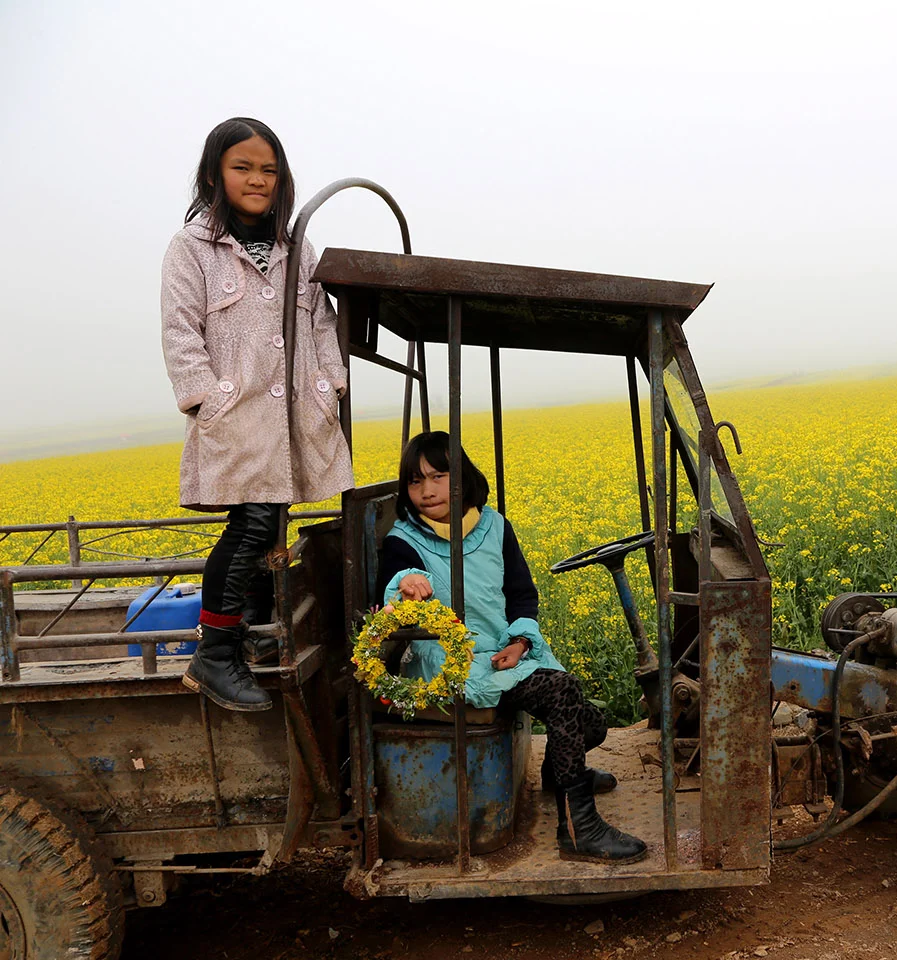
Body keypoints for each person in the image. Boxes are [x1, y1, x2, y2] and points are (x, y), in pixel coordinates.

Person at [375, 432, 647, 865]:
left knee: (590, 724)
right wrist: (405, 585)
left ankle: (560, 776)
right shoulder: (403, 540)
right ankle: (579, 831)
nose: (426, 491)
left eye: (438, 476)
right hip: (450, 665)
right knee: (563, 696)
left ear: (461, 476)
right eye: (414, 481)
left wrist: (521, 643)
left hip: (503, 654)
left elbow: (522, 593)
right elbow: (394, 583)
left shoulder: (493, 526)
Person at [161, 118, 353, 712]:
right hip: (236, 413)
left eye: (268, 169)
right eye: (243, 167)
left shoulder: (298, 248)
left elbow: (321, 324)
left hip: (294, 415)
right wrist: (206, 398)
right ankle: (216, 652)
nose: (257, 179)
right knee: (249, 525)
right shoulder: (191, 248)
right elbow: (179, 331)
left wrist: (331, 383)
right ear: (215, 173)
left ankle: (248, 633)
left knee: (269, 527)